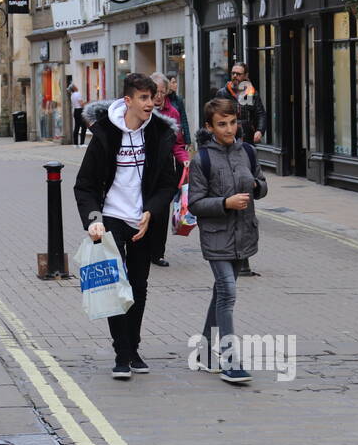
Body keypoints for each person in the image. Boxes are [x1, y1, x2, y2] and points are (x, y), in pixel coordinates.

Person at [73, 73, 182, 380]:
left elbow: (167, 183)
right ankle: (122, 353)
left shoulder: (160, 133)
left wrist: (151, 211)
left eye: (154, 97)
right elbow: (85, 185)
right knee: (113, 286)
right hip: (111, 218)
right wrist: (94, 220)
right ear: (129, 101)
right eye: (145, 98)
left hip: (144, 219)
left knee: (138, 286)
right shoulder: (106, 132)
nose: (151, 103)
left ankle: (133, 347)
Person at [188, 97, 269, 383]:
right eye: (222, 124)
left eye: (233, 122)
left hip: (243, 233)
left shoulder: (247, 151)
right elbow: (194, 204)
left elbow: (261, 186)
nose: (229, 129)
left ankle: (205, 353)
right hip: (216, 237)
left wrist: (257, 186)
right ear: (210, 127)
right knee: (229, 293)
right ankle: (230, 360)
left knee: (221, 293)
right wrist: (225, 202)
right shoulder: (202, 160)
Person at [148, 73, 192, 268]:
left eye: (162, 92)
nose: (158, 96)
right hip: (143, 169)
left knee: (161, 212)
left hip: (165, 169)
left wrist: (184, 160)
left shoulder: (172, 112)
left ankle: (157, 253)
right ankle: (141, 249)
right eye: (155, 92)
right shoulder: (141, 110)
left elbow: (178, 143)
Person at [214, 60, 266, 145]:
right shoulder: (222, 93)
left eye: (238, 74)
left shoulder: (251, 93)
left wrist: (260, 131)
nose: (235, 76)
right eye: (233, 73)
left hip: (247, 136)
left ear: (245, 76)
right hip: (227, 135)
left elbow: (260, 113)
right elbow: (215, 115)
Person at [164, 71, 190, 146]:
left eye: (176, 82)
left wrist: (187, 140)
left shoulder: (178, 100)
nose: (176, 84)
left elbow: (184, 119)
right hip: (166, 137)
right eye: (173, 82)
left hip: (178, 136)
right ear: (167, 83)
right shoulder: (162, 99)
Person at [70, 80, 86, 147]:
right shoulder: (78, 94)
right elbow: (81, 103)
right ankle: (82, 143)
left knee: (76, 127)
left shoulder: (72, 95)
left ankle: (75, 143)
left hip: (75, 111)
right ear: (74, 88)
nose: (77, 87)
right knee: (83, 127)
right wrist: (86, 103)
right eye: (75, 86)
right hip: (80, 111)